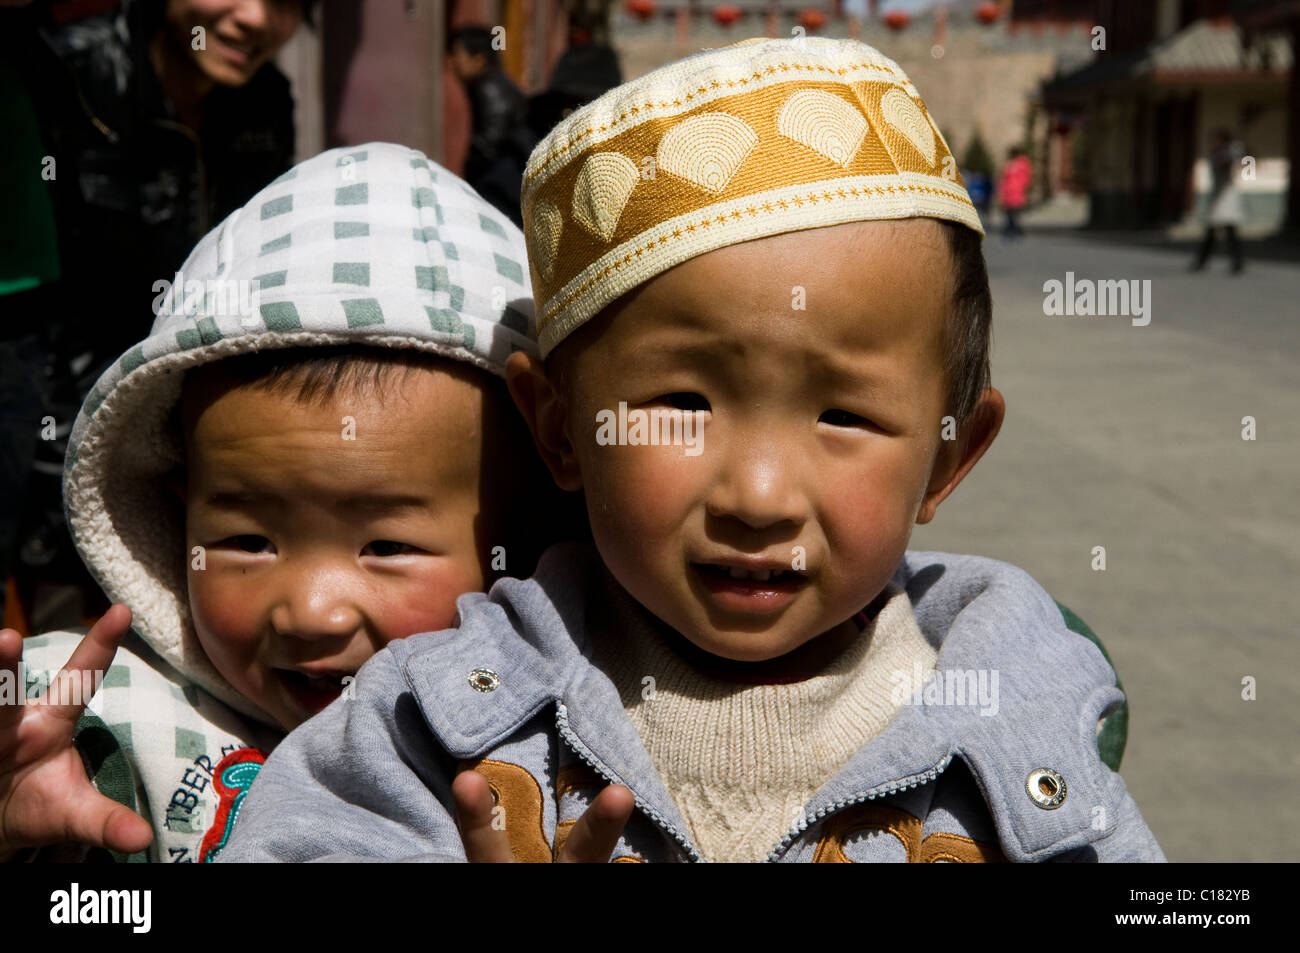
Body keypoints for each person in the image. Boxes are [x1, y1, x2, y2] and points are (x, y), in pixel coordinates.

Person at [218, 37, 1164, 863]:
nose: (757, 495)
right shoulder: (440, 727)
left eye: (842, 417)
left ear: (953, 456)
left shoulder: (1021, 729)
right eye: (680, 406)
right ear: (558, 430)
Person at [0, 142, 564, 862]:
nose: (310, 611)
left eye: (385, 547)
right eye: (249, 541)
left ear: (520, 532)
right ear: (180, 518)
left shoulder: (558, 756)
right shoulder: (81, 722)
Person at [9, 0, 311, 632]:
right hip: (42, 432)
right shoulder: (60, 72)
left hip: (178, 430)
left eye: (286, 3)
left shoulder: (264, 100)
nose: (255, 18)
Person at [447, 24, 536, 227]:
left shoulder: (490, 90)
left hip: (502, 188)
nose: (452, 63)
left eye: (457, 55)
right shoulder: (492, 85)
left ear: (479, 59)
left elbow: (488, 146)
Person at [1191, 128, 1245, 274]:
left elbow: (1237, 160)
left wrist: (1235, 150)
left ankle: (1235, 262)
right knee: (1217, 230)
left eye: (1215, 139)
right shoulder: (1217, 154)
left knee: (1226, 229)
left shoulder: (1224, 154)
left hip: (1225, 194)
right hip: (1219, 194)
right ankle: (1204, 261)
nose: (1212, 142)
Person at [998, 145, 1031, 240]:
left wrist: (1024, 192)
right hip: (1007, 194)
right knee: (1008, 215)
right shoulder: (1008, 164)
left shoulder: (1023, 164)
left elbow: (1026, 180)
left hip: (1017, 194)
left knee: (1014, 215)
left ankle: (1015, 232)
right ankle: (1012, 232)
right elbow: (1003, 179)